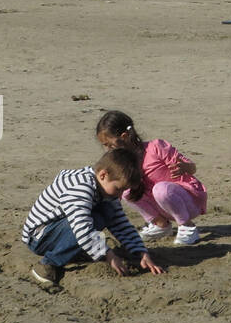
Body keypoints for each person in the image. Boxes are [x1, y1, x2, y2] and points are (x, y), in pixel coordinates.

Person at [21, 148, 165, 288]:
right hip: (39, 237)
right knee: (95, 219)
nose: (120, 195)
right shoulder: (81, 187)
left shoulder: (106, 190)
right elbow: (82, 227)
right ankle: (48, 264)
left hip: (59, 230)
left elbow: (120, 223)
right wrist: (107, 254)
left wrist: (141, 252)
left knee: (107, 211)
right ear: (103, 175)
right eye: (118, 188)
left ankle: (77, 249)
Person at [96, 110, 207, 245]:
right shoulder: (123, 163)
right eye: (105, 146)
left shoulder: (156, 147)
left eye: (109, 144)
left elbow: (192, 168)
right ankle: (160, 225)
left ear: (124, 136)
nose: (108, 149)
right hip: (162, 207)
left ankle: (187, 226)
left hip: (188, 201)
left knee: (160, 189)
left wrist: (184, 167)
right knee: (126, 191)